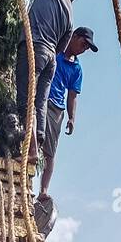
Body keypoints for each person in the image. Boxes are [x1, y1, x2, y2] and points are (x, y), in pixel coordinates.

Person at [16, 0, 77, 162]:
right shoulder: (70, 15)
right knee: (41, 101)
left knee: (26, 99)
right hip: (51, 58)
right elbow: (62, 47)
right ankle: (39, 137)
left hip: (35, 47)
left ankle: (32, 149)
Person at [40, 27, 98, 198]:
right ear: (74, 37)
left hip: (56, 108)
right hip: (40, 98)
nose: (84, 48)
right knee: (29, 137)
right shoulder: (56, 48)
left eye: (87, 47)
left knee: (49, 152)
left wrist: (72, 118)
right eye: (83, 43)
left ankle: (43, 190)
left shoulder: (76, 69)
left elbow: (72, 96)